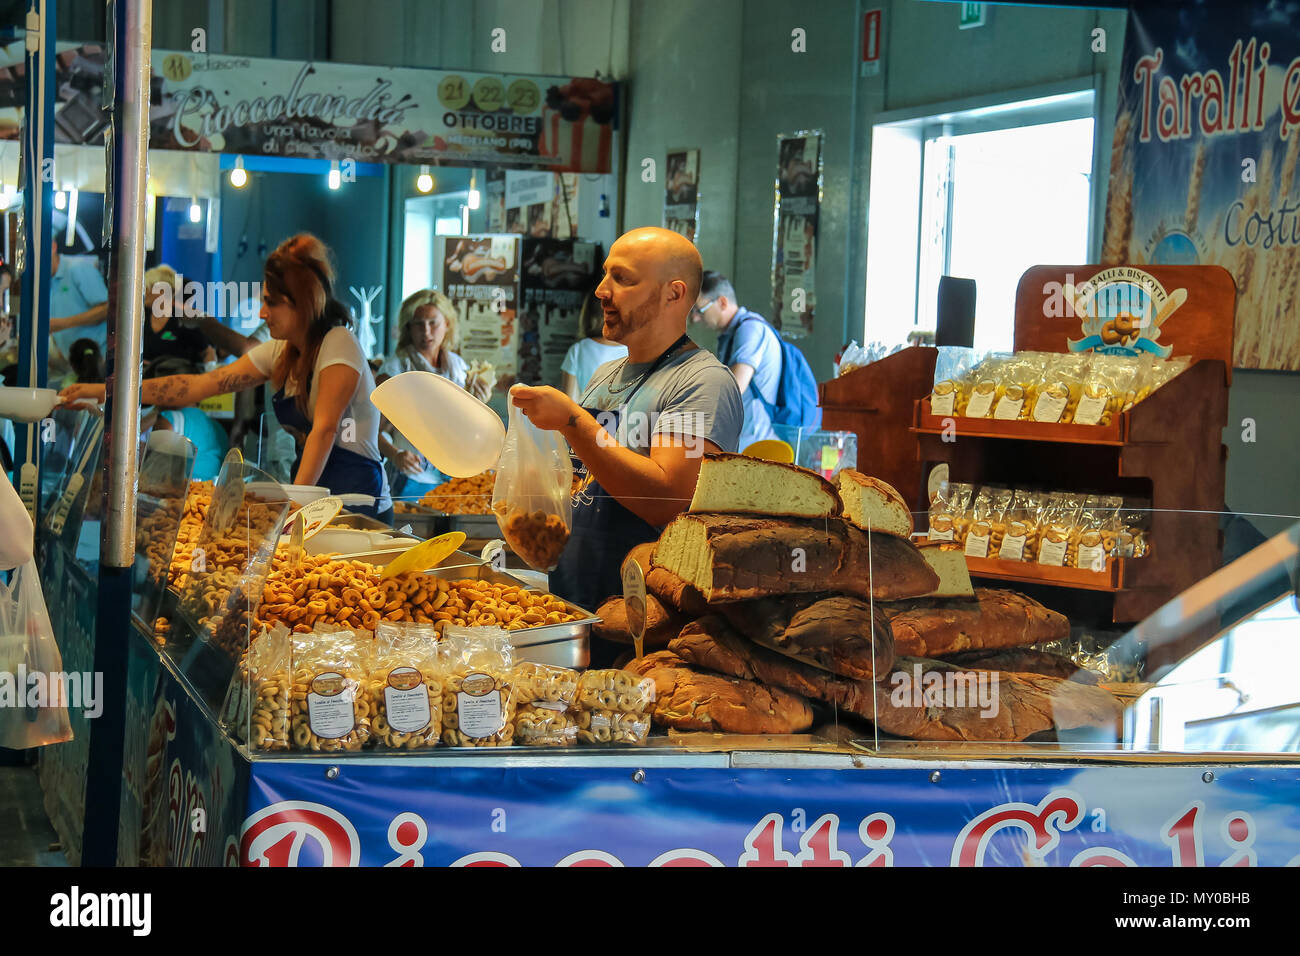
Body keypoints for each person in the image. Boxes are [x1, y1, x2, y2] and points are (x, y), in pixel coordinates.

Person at [60, 233, 393, 522]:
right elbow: (195, 386)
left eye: (271, 303)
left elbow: (325, 429)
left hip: (358, 506)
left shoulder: (338, 343)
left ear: (303, 304)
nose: (262, 313)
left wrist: (292, 508)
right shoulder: (280, 351)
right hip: (315, 504)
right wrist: (102, 390)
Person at [510, 227, 743, 612]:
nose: (602, 291)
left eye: (622, 279)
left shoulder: (702, 381)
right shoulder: (605, 375)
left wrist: (572, 420)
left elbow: (667, 500)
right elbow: (583, 480)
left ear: (675, 293)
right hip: (573, 605)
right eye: (605, 275)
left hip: (640, 628)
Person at [376, 289, 490, 502]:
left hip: (454, 478)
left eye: (432, 323)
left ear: (447, 324)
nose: (426, 332)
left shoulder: (460, 369)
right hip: (412, 478)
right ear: (408, 328)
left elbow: (467, 428)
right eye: (418, 324)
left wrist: (479, 405)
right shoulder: (394, 370)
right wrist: (395, 454)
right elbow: (372, 430)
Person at [691, 270, 781, 451]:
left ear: (722, 302)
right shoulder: (730, 334)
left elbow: (734, 386)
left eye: (699, 310)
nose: (695, 318)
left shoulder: (750, 330)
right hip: (744, 441)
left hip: (757, 445)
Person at [47, 240, 109, 384]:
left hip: (98, 362)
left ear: (53, 246)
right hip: (74, 365)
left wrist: (62, 324)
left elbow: (106, 309)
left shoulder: (77, 268)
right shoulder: (43, 280)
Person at [142, 264, 215, 377]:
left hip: (178, 384)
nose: (144, 292)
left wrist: (210, 377)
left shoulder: (184, 319)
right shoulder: (140, 318)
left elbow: (207, 352)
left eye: (148, 287)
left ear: (162, 291)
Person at [559, 288, 627, 400]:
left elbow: (569, 403)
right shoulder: (633, 351)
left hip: (586, 415)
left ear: (588, 314)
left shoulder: (577, 351)